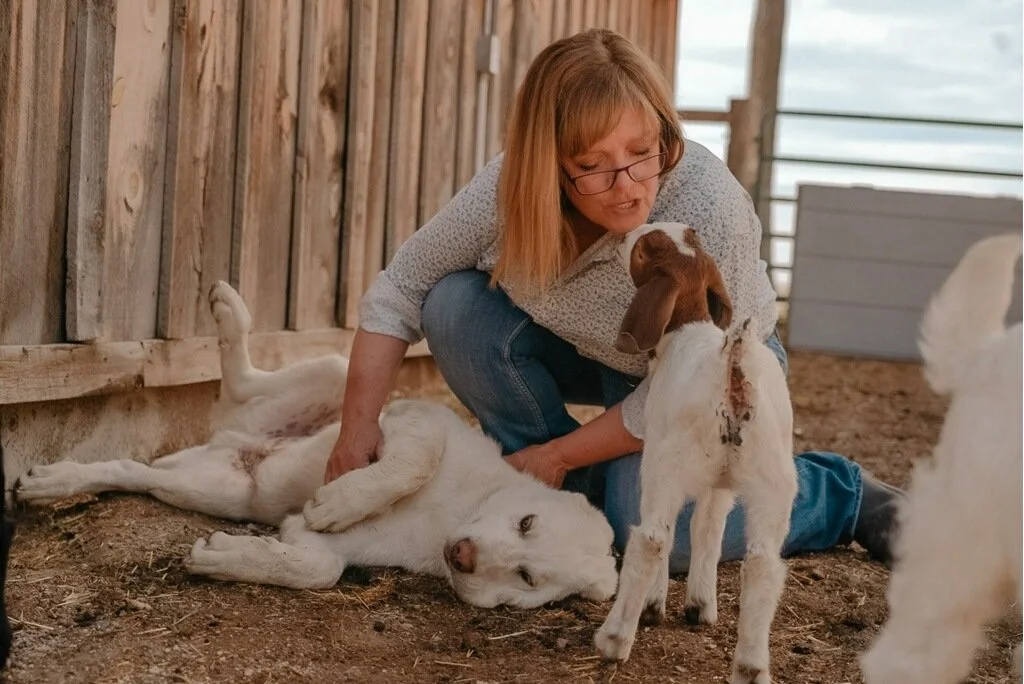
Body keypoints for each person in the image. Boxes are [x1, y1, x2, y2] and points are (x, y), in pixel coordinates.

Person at [324, 28, 903, 571]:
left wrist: (560, 455)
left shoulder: (707, 206)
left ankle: (838, 495)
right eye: (591, 166)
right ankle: (557, 486)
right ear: (550, 164)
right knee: (453, 308)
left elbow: (694, 381)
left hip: (706, 374)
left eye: (641, 152)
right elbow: (401, 288)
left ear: (664, 134)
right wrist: (357, 429)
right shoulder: (503, 198)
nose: (626, 186)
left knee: (660, 534)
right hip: (590, 351)